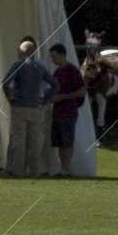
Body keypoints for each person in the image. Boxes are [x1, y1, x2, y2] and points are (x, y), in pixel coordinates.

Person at [1, 37, 56, 177]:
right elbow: (55, 84)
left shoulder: (18, 65)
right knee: (35, 142)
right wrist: (45, 100)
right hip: (36, 107)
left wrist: (10, 98)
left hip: (19, 106)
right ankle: (34, 171)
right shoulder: (40, 67)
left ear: (22, 51)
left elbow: (6, 82)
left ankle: (18, 171)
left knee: (19, 141)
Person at [47, 43, 87, 176]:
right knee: (59, 143)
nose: (53, 59)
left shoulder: (73, 70)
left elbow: (82, 92)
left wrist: (63, 97)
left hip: (69, 112)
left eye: (54, 56)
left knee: (67, 142)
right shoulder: (57, 72)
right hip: (57, 112)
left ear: (62, 55)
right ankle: (62, 169)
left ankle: (66, 169)